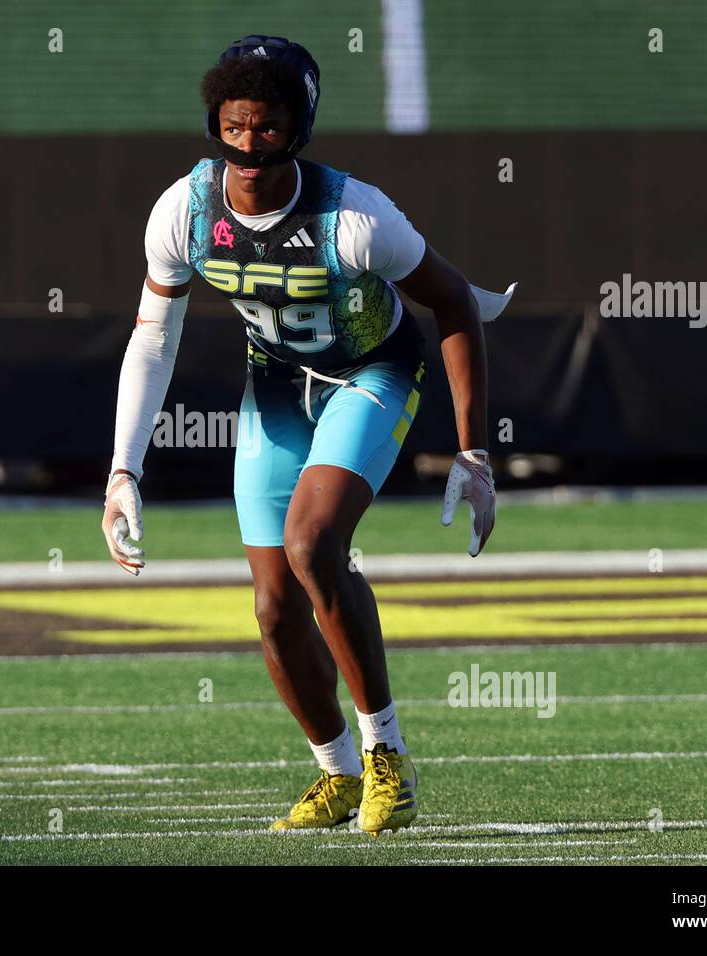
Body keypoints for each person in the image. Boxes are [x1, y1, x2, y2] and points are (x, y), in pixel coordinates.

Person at [101, 35, 513, 835]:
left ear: (300, 126)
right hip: (279, 386)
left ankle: (388, 754)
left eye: (268, 127)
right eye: (234, 126)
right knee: (270, 607)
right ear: (213, 124)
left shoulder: (354, 215)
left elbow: (457, 302)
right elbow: (155, 337)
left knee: (313, 543)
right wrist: (124, 469)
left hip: (373, 372)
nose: (249, 146)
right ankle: (339, 775)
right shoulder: (184, 210)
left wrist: (473, 449)